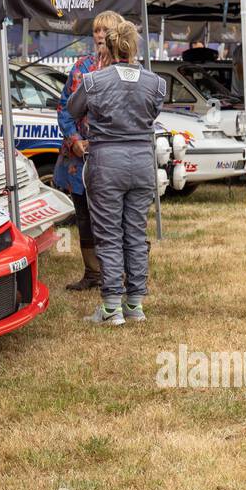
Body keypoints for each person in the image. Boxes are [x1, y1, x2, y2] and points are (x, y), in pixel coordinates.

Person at [67, 22, 166, 326]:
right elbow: (153, 112)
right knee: (136, 232)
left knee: (108, 233)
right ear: (134, 47)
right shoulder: (156, 82)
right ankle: (135, 304)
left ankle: (112, 307)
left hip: (107, 161)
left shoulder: (94, 80)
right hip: (141, 161)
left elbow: (72, 109)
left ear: (108, 48)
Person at [55, 10, 126, 290]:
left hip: (111, 157)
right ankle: (92, 272)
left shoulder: (127, 69)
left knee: (111, 216)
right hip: (78, 158)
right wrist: (73, 139)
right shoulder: (81, 66)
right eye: (96, 30)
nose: (99, 35)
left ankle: (116, 273)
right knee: (83, 215)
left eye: (105, 30)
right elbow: (64, 107)